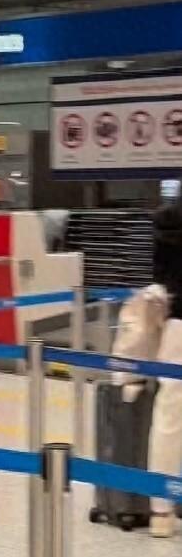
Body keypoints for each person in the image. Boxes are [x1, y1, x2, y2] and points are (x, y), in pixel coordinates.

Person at [111, 203, 182, 537]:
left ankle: (161, 511)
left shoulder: (170, 220)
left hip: (177, 328)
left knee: (170, 417)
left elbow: (162, 280)